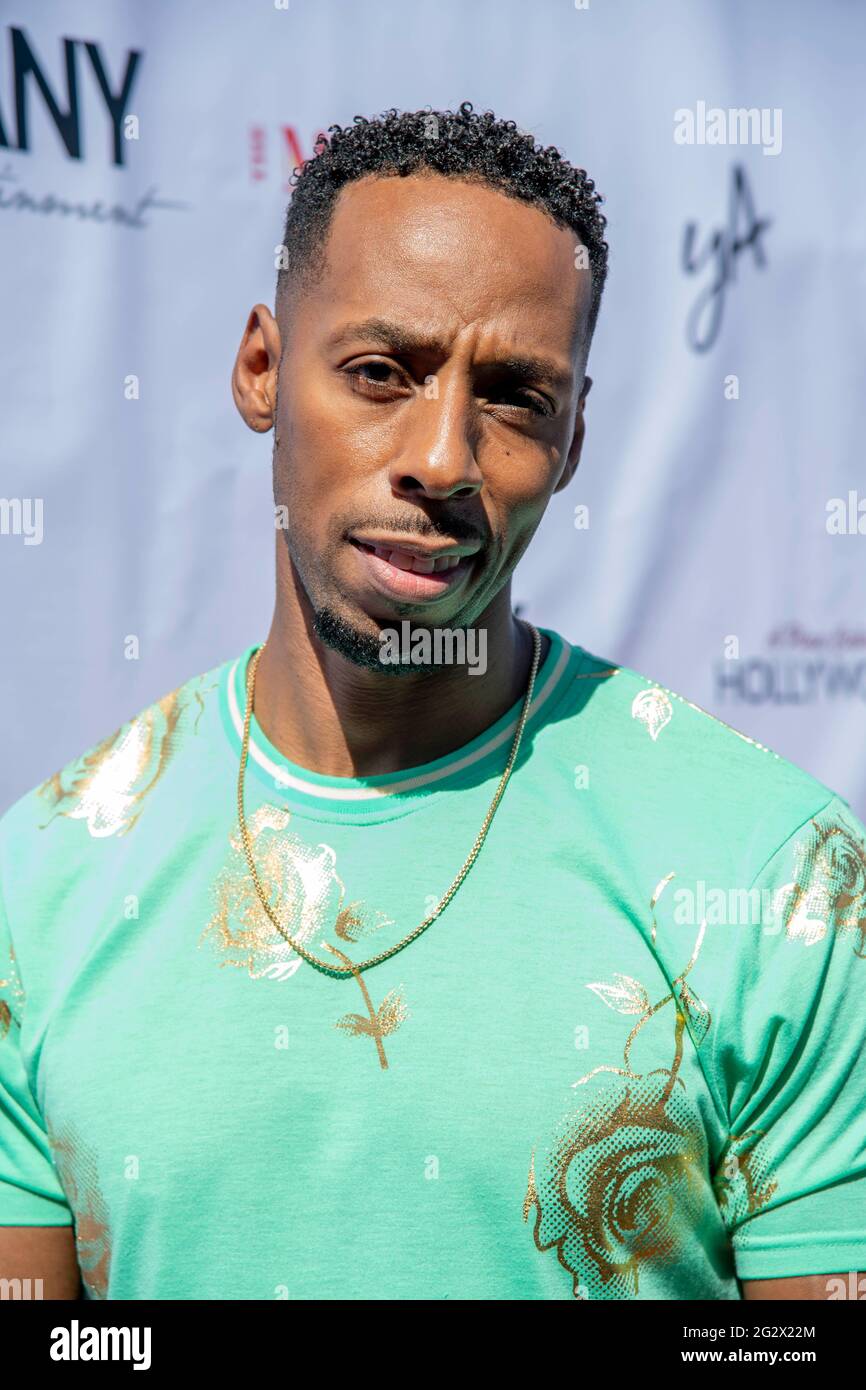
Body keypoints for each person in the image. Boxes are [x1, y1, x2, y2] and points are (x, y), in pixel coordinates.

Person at [1, 103, 864, 1302]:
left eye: (513, 396)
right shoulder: (43, 883)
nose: (444, 457)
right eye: (379, 373)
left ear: (571, 442)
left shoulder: (782, 879)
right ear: (260, 368)